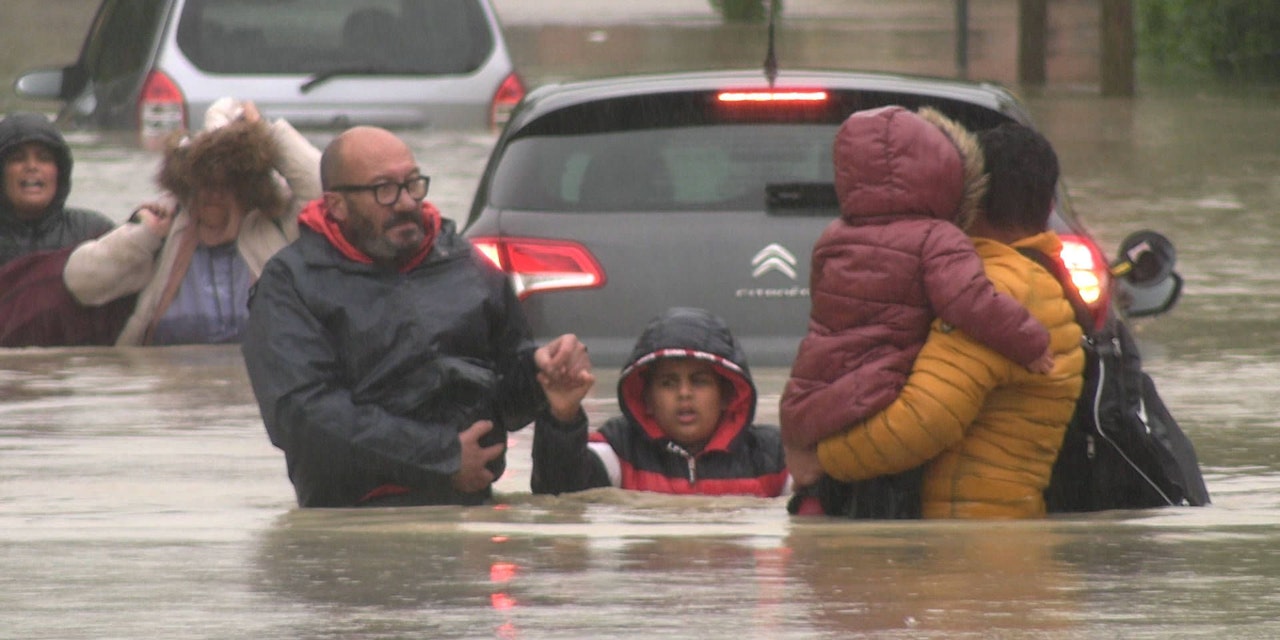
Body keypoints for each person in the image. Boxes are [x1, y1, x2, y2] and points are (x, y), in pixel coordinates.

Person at [240, 125, 590, 508]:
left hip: (473, 515)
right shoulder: (290, 283)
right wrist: (441, 457)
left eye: (412, 184)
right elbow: (301, 417)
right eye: (383, 190)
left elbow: (503, 400)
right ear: (336, 205)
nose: (406, 202)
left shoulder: (467, 265)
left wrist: (544, 380)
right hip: (353, 523)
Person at [789, 122, 1086, 519]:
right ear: (1049, 206)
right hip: (1001, 545)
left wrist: (821, 461)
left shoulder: (996, 290)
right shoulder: (1033, 281)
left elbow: (921, 422)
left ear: (967, 196)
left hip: (966, 555)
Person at [62, 98, 321, 345]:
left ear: (246, 188)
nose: (213, 194)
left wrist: (264, 131)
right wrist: (144, 236)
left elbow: (321, 189)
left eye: (225, 183)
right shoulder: (165, 230)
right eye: (204, 183)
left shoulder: (274, 229)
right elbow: (81, 283)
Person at [531, 306, 789, 498]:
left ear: (727, 395)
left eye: (699, 381)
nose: (684, 393)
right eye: (668, 383)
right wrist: (563, 415)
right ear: (647, 400)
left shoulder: (772, 455)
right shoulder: (621, 448)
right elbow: (559, 493)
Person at [0, 112, 114, 267]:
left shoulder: (92, 231)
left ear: (60, 172)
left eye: (44, 158)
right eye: (18, 159)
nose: (32, 167)